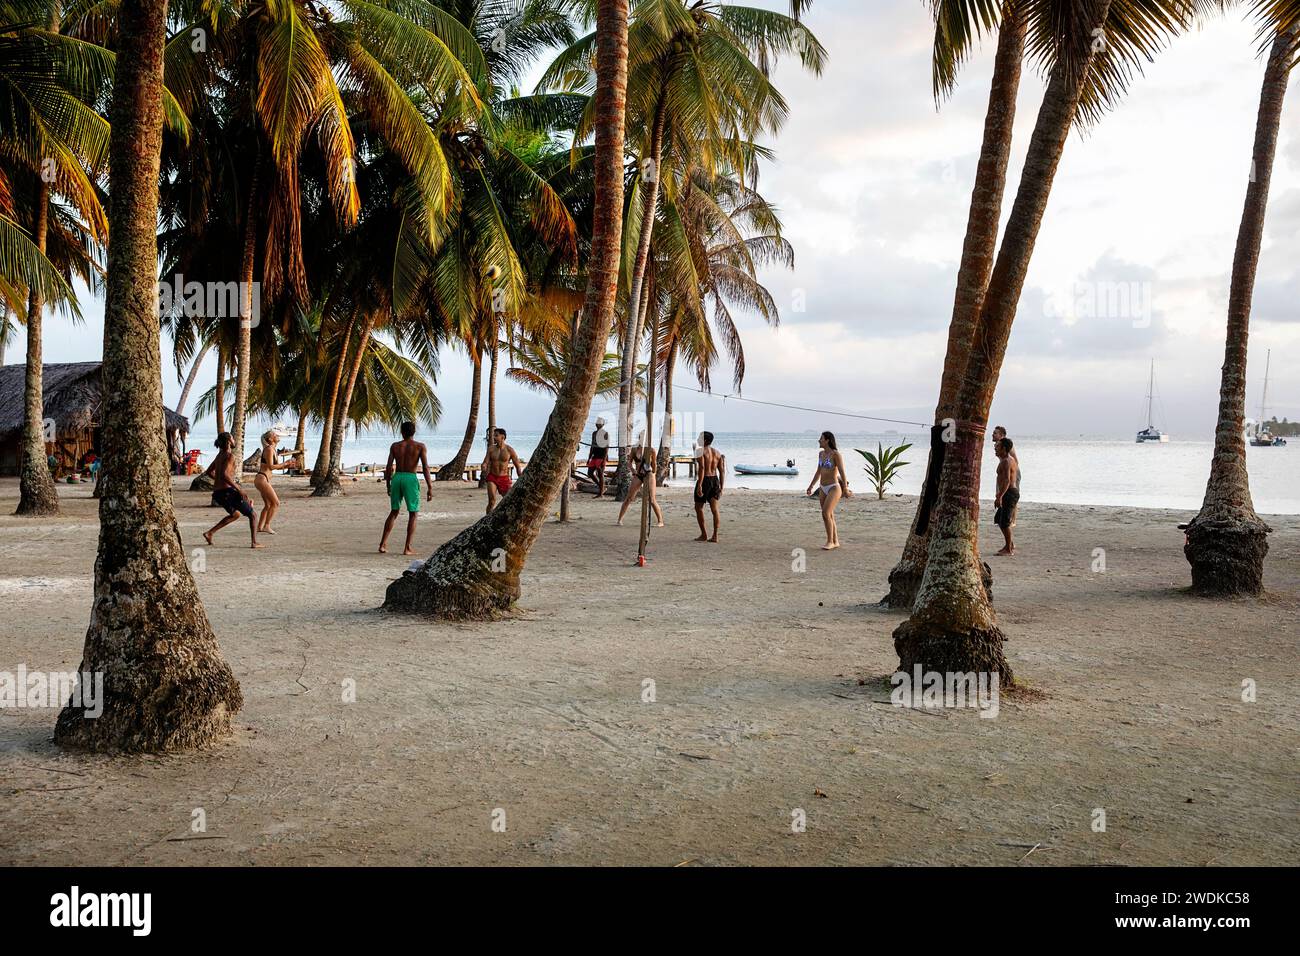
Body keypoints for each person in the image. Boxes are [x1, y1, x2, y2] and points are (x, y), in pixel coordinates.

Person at [379, 422, 433, 555]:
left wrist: (388, 484)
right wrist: (430, 486)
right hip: (410, 478)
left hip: (397, 478)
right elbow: (425, 467)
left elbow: (389, 466)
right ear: (414, 432)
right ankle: (407, 547)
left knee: (394, 511)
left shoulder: (395, 446)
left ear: (402, 432)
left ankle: (382, 544)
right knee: (413, 513)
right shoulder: (420, 446)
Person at [203, 432, 261, 548]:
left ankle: (210, 533)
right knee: (253, 514)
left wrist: (218, 481)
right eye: (233, 438)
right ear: (229, 441)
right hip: (227, 492)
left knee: (235, 515)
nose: (235, 440)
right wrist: (239, 489)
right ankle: (254, 542)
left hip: (218, 493)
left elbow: (209, 472)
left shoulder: (219, 456)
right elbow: (225, 475)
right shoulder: (229, 456)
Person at [805, 431, 853, 549]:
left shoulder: (836, 454)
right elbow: (818, 471)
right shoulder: (821, 454)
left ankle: (830, 541)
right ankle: (835, 541)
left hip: (833, 487)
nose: (819, 440)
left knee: (825, 513)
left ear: (827, 440)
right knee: (829, 515)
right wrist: (811, 486)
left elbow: (842, 471)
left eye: (821, 438)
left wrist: (845, 488)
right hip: (822, 487)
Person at [616, 430, 664, 527]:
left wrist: (651, 471)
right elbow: (629, 463)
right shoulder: (634, 449)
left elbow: (654, 466)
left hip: (649, 474)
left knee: (651, 499)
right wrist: (633, 470)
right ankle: (619, 520)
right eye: (642, 437)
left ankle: (660, 521)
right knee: (629, 497)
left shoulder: (651, 450)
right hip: (638, 475)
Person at [253, 430, 295, 534]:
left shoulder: (272, 449)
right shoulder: (269, 449)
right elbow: (271, 467)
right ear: (270, 439)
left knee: (268, 505)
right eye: (275, 435)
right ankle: (267, 526)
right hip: (262, 479)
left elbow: (273, 467)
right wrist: (285, 463)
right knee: (276, 503)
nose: (277, 435)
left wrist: (287, 465)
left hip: (262, 479)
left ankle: (260, 527)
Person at [482, 427, 524, 514]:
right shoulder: (491, 449)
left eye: (496, 436)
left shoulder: (510, 450)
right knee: (492, 501)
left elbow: (517, 466)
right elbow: (486, 461)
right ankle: (487, 519)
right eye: (494, 435)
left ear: (503, 437)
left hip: (504, 478)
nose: (494, 437)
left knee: (508, 501)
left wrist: (521, 477)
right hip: (492, 477)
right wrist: (484, 465)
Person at [693, 431, 725, 542]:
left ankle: (704, 535)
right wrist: (721, 487)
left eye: (700, 437)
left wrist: (700, 485)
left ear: (705, 440)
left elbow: (701, 468)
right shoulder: (717, 453)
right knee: (715, 509)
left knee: (698, 508)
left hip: (705, 480)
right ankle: (715, 536)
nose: (697, 439)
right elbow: (722, 471)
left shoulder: (699, 451)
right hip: (714, 480)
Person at [993, 437, 1020, 556]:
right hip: (1008, 493)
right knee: (999, 519)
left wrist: (999, 496)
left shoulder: (1006, 461)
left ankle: (1009, 549)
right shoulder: (1007, 459)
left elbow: (1007, 481)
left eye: (998, 446)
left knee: (1004, 522)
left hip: (1009, 493)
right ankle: (1009, 544)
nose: (995, 448)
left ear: (1004, 448)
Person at [587, 417, 611, 497]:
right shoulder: (594, 433)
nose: (598, 424)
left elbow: (607, 447)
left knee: (600, 474)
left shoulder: (605, 433)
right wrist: (589, 458)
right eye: (597, 423)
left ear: (603, 424)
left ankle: (600, 493)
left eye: (600, 423)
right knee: (590, 472)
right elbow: (592, 446)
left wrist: (604, 459)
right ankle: (602, 487)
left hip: (602, 455)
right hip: (595, 455)